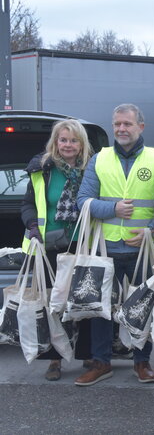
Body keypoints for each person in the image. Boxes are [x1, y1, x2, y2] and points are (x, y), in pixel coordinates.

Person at [76, 103, 154, 386]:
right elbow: (84, 201)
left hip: (143, 251)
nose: (121, 129)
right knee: (101, 308)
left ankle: (141, 362)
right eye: (117, 124)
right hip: (106, 248)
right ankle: (101, 362)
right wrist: (112, 210)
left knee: (141, 306)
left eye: (127, 124)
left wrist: (151, 232)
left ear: (141, 127)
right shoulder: (99, 159)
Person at [20, 119, 94, 381]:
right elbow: (28, 204)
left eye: (73, 140)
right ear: (55, 142)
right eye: (63, 140)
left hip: (81, 243)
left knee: (83, 301)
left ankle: (87, 354)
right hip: (47, 245)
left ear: (81, 144)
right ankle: (54, 359)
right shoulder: (43, 169)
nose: (68, 145)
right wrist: (32, 226)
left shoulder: (92, 169)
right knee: (52, 303)